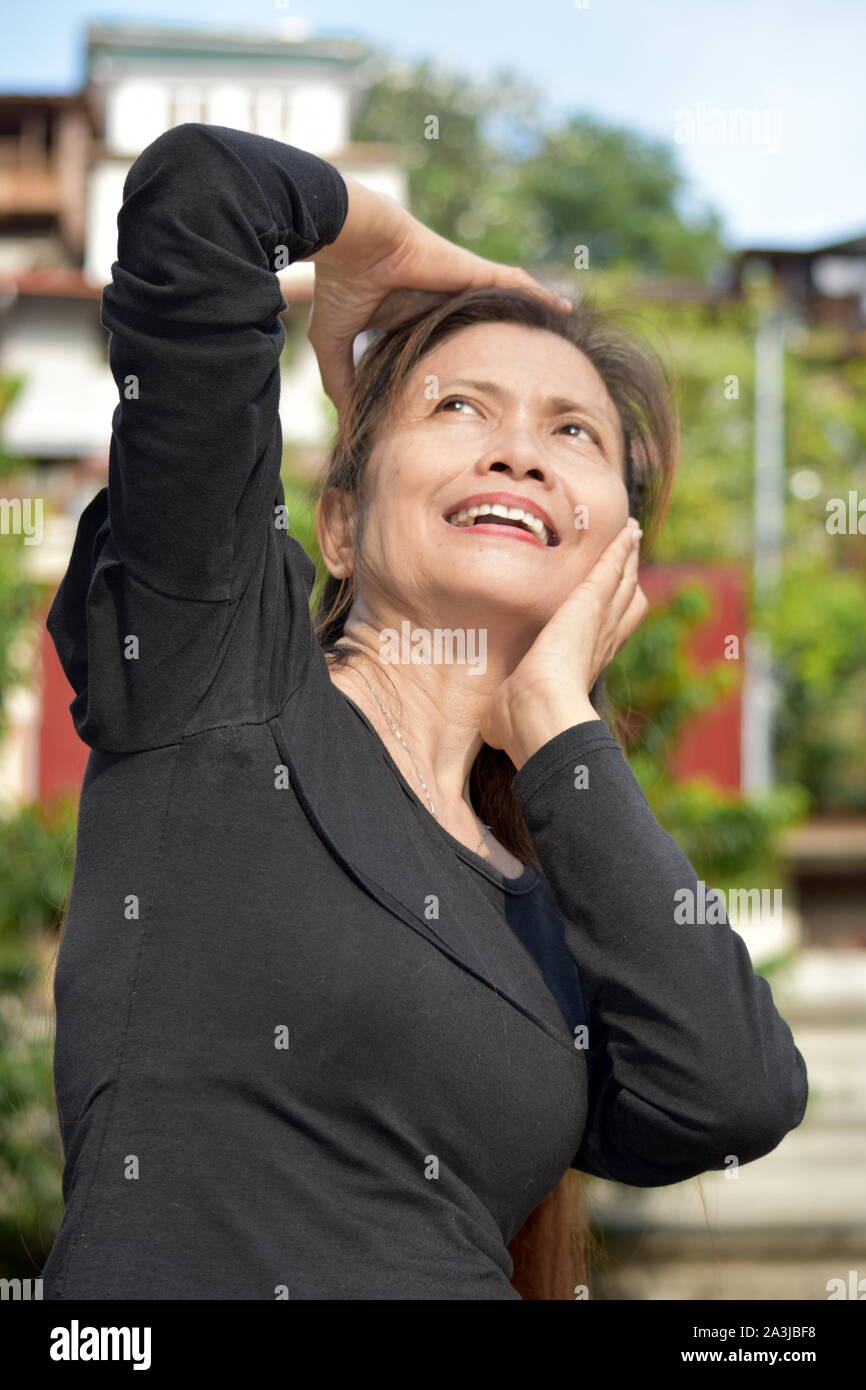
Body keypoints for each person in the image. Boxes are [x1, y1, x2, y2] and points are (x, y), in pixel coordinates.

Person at [42, 122, 808, 1301]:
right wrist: (375, 243)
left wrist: (554, 718)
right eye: (459, 409)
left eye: (573, 433)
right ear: (339, 523)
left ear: (616, 559)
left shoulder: (550, 904)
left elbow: (727, 1099)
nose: (519, 452)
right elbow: (201, 193)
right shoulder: (217, 676)